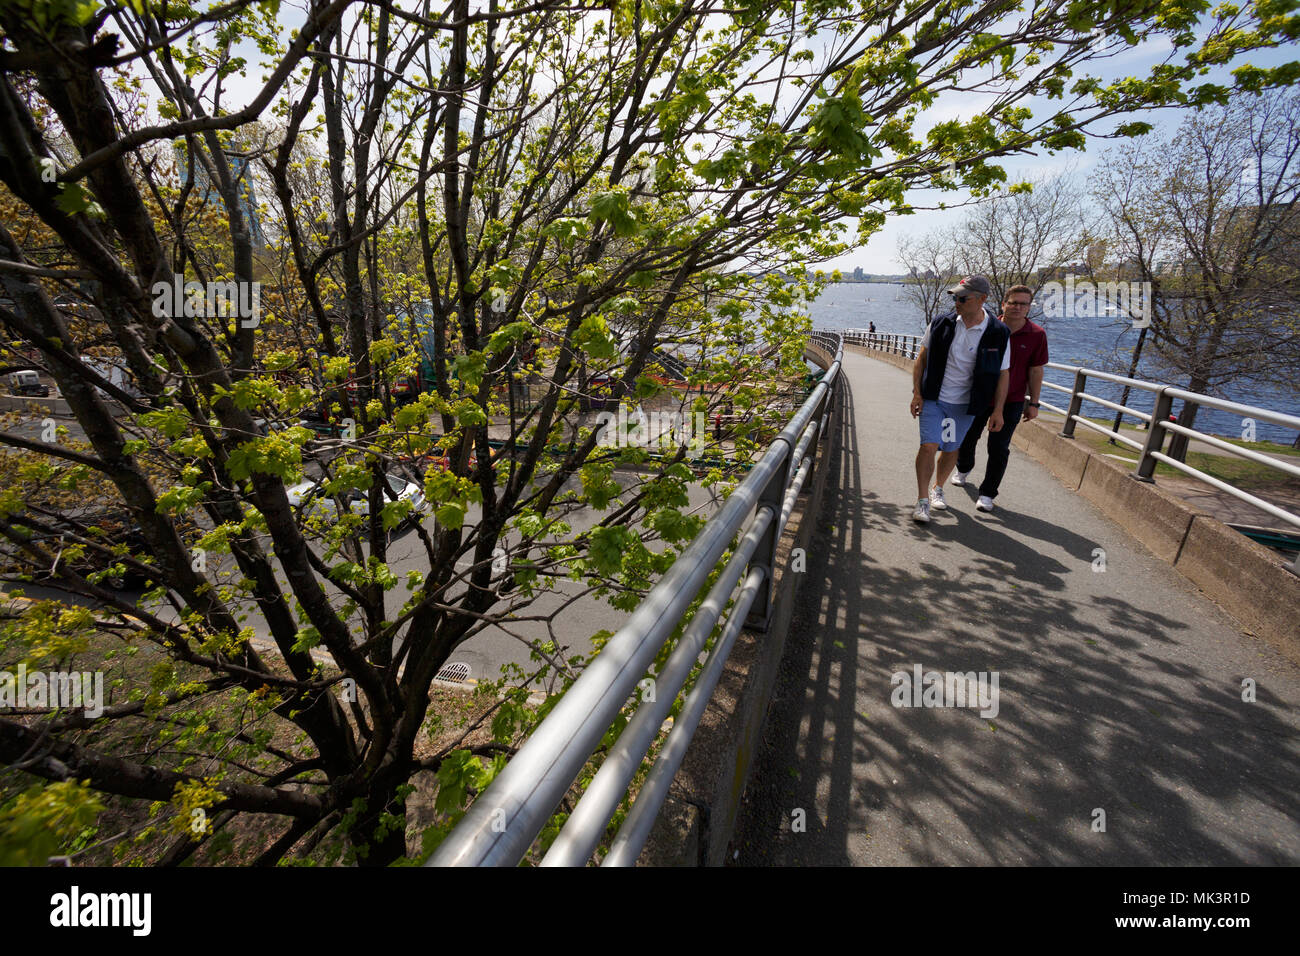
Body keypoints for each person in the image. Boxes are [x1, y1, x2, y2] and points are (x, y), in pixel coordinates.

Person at [908, 275, 1010, 524]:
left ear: (982, 299)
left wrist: (998, 411)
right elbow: (922, 358)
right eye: (955, 297)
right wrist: (917, 393)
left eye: (963, 298)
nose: (957, 302)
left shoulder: (998, 332)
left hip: (964, 405)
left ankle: (937, 488)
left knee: (951, 448)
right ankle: (922, 501)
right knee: (929, 445)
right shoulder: (942, 323)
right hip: (934, 398)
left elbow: (1003, 373)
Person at [953, 285, 1048, 513]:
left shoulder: (1036, 335)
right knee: (967, 438)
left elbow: (1036, 371)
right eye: (1013, 302)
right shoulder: (987, 326)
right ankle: (964, 467)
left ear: (1028, 307)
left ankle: (987, 493)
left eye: (1023, 303)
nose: (1018, 307)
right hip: (979, 395)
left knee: (998, 448)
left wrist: (1033, 403)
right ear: (1004, 303)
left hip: (1012, 401)